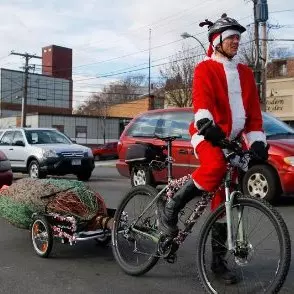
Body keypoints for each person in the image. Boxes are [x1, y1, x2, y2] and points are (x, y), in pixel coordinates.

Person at [158, 13, 269, 284]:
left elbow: (253, 114)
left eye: (238, 37)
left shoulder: (243, 73)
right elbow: (202, 104)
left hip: (231, 140)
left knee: (225, 201)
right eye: (231, 37)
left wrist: (256, 141)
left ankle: (218, 264)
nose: (236, 41)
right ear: (217, 40)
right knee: (216, 167)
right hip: (206, 134)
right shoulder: (205, 68)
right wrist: (208, 126)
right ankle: (172, 207)